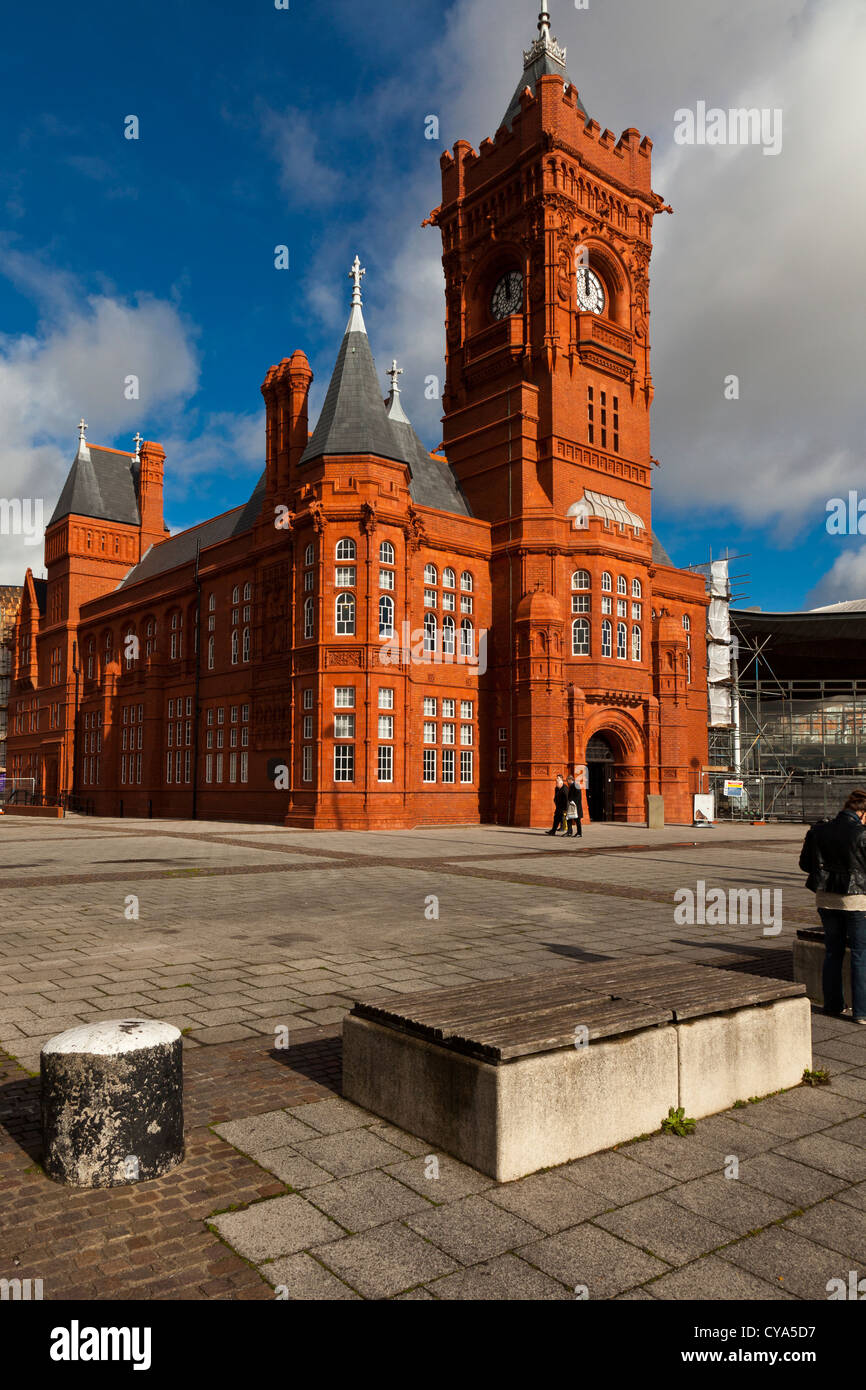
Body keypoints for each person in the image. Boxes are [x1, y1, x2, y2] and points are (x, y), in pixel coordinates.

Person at [799, 789, 866, 1024]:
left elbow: (805, 865)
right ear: (862, 813)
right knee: (860, 954)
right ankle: (862, 1012)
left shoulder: (818, 830)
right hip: (856, 901)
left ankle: (833, 1005)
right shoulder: (862, 834)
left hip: (826, 899)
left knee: (832, 951)